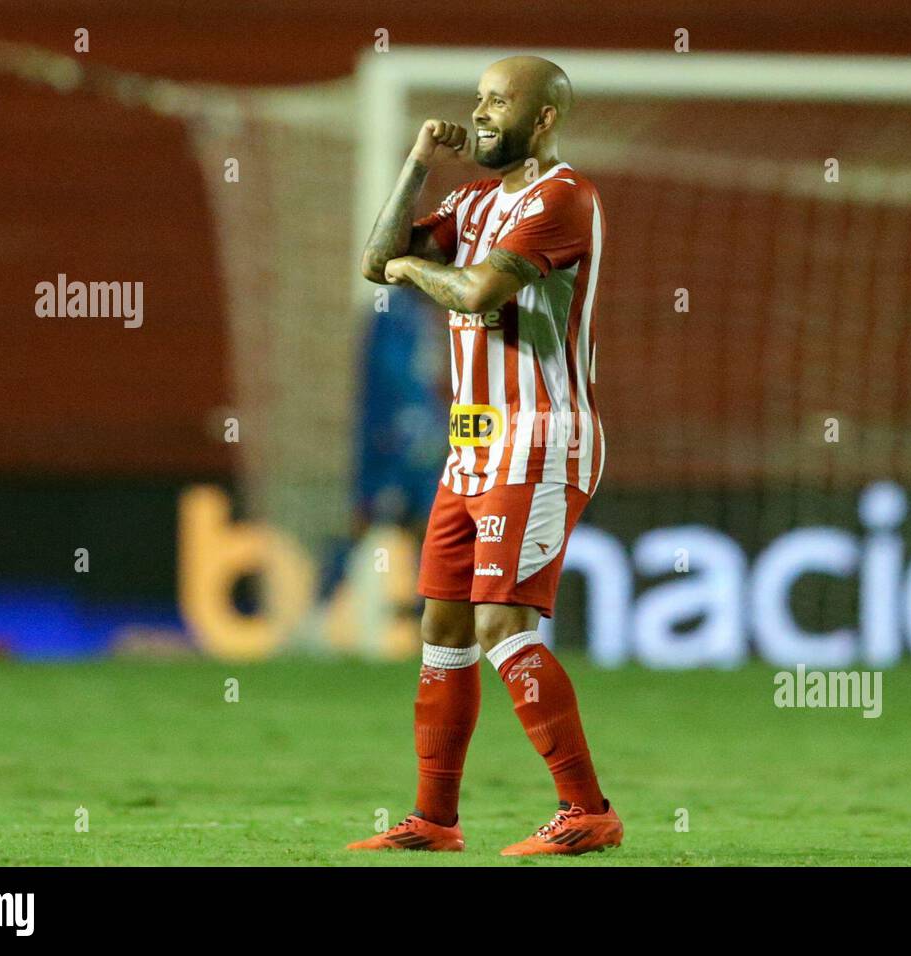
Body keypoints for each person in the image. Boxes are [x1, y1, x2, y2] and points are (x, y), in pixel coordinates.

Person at [347, 55, 620, 856]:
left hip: (540, 436)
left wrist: (410, 268)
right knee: (443, 624)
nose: (484, 113)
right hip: (472, 444)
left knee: (505, 623)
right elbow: (374, 259)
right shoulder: (466, 199)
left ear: (542, 119)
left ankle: (587, 810)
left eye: (500, 101)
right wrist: (417, 163)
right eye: (479, 100)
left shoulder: (565, 197)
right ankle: (434, 821)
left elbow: (473, 294)